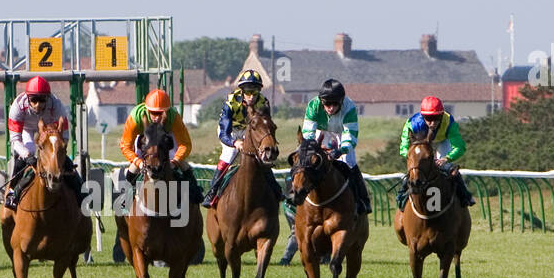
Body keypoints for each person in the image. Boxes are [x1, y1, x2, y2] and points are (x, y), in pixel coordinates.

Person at [203, 69, 281, 207]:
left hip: (249, 130)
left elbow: (265, 125)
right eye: (248, 92)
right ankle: (212, 192)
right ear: (242, 91)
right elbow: (223, 133)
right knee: (230, 154)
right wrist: (234, 142)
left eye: (254, 92)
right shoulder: (231, 101)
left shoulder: (264, 102)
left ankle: (276, 189)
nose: (251, 96)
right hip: (230, 131)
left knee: (262, 156)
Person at [3, 76, 82, 209]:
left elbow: (65, 136)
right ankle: (12, 193)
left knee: (63, 160)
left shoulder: (56, 105)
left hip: (49, 131)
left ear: (48, 98)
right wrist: (27, 155)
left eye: (42, 100)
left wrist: (58, 151)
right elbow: (15, 139)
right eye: (34, 100)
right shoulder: (17, 106)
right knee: (24, 159)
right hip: (26, 130)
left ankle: (81, 192)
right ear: (28, 98)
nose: (38, 104)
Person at [300, 79, 372, 214]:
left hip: (341, 136)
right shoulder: (313, 105)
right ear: (321, 101)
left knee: (350, 164)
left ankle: (362, 200)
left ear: (341, 101)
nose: (331, 107)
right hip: (320, 134)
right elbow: (308, 132)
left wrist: (340, 151)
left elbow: (350, 136)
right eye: (327, 103)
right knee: (303, 161)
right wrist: (314, 147)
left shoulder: (349, 107)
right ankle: (292, 195)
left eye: (335, 103)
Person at [396, 96, 475, 208]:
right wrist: (418, 158)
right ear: (423, 117)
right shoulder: (413, 124)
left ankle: (465, 196)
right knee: (415, 170)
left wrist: (446, 159)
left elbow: (460, 147)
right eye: (428, 118)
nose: (432, 123)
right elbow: (403, 149)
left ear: (442, 115)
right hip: (420, 144)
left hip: (443, 141)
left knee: (448, 168)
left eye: (436, 118)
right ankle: (401, 196)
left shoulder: (449, 122)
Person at [119, 88, 195, 191]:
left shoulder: (174, 118)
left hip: (165, 141)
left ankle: (196, 194)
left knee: (185, 167)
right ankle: (125, 198)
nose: (157, 117)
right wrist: (138, 162)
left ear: (167, 111)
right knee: (133, 169)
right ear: (147, 110)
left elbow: (185, 144)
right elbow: (125, 146)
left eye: (161, 113)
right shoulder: (135, 118)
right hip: (145, 142)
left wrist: (175, 161)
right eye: (153, 113)